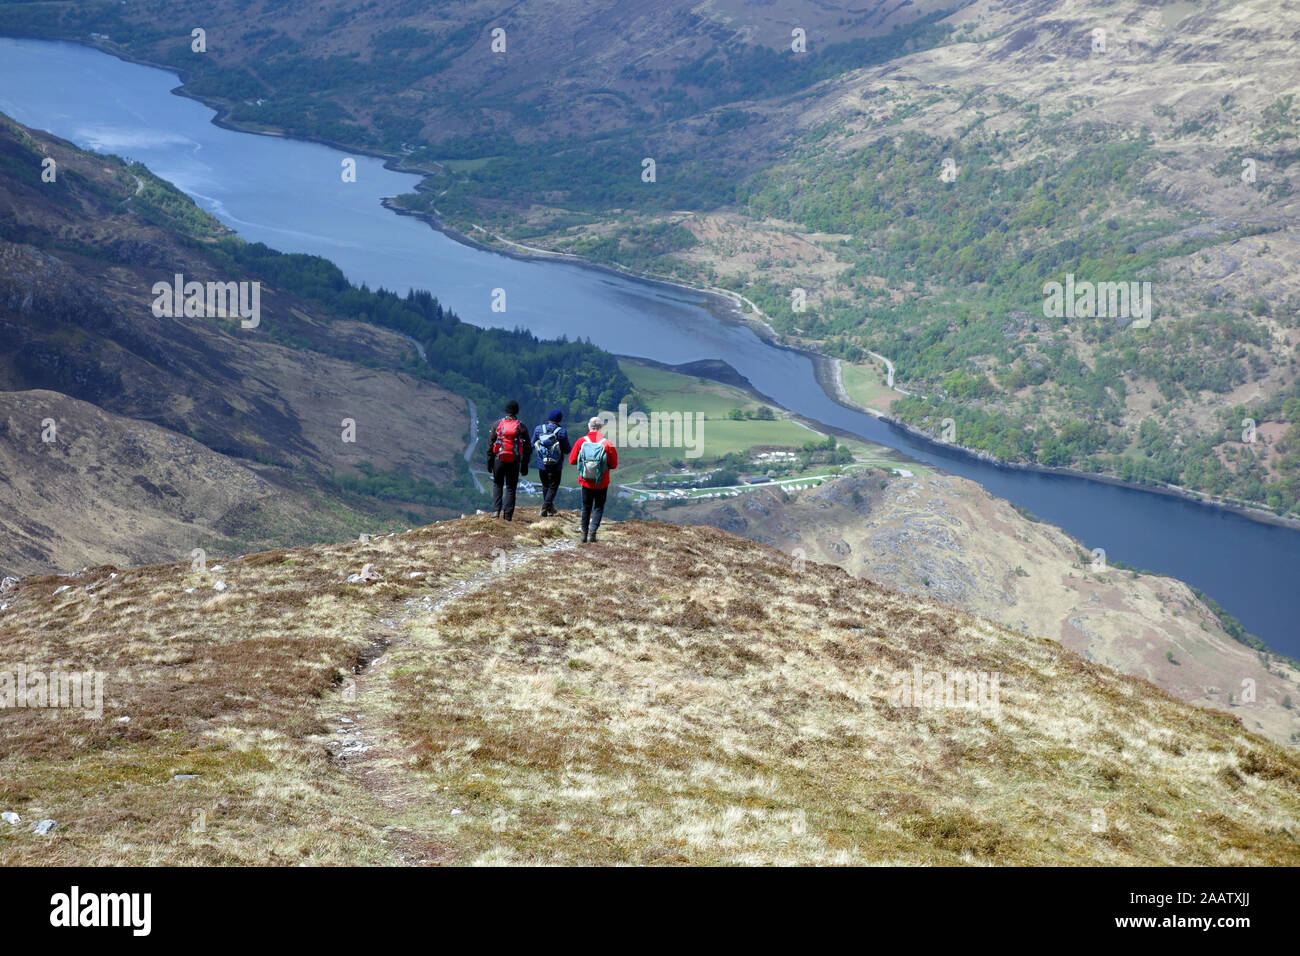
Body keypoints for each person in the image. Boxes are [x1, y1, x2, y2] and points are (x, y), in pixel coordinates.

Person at [569, 415, 618, 543]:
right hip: (601, 482)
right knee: (598, 507)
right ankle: (592, 533)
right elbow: (613, 465)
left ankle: (583, 534)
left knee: (586, 507)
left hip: (585, 481)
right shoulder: (607, 443)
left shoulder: (581, 441)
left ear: (589, 426)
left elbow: (572, 460)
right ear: (601, 428)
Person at [487, 400, 531, 520]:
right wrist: (524, 465)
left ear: (506, 411)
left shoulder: (497, 425)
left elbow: (491, 445)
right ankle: (508, 516)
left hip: (499, 459)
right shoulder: (521, 426)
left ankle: (496, 511)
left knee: (497, 484)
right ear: (516, 412)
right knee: (511, 487)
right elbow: (527, 447)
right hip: (514, 460)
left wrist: (490, 462)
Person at [531, 409, 571, 517]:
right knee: (553, 486)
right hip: (556, 465)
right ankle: (545, 507)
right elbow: (567, 450)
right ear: (559, 420)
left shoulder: (539, 429)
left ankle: (550, 508)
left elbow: (532, 444)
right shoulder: (561, 432)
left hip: (541, 463)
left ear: (549, 418)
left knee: (545, 485)